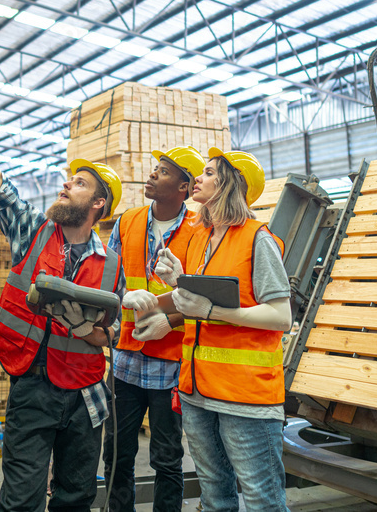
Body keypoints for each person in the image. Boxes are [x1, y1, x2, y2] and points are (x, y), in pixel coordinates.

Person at [0, 80, 126, 512]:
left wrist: (89, 331)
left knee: (76, 498)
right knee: (21, 500)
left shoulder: (113, 267)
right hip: (33, 386)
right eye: (67, 180)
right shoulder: (35, 233)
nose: (65, 186)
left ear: (97, 204)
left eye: (77, 184)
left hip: (85, 393)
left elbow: (117, 335)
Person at [124, 148, 292, 512]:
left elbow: (281, 316)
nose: (198, 178)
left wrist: (213, 311)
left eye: (210, 173)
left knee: (263, 501)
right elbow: (194, 300)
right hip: (198, 392)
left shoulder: (256, 238)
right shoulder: (200, 237)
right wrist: (162, 293)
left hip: (245, 397)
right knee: (215, 497)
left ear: (230, 184)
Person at [102, 147, 205, 512]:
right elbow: (108, 282)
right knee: (117, 454)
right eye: (155, 169)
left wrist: (171, 321)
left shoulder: (200, 230)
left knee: (167, 458)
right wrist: (123, 297)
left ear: (184, 186)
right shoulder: (127, 222)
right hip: (126, 360)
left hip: (171, 362)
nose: (152, 175)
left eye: (162, 172)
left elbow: (205, 300)